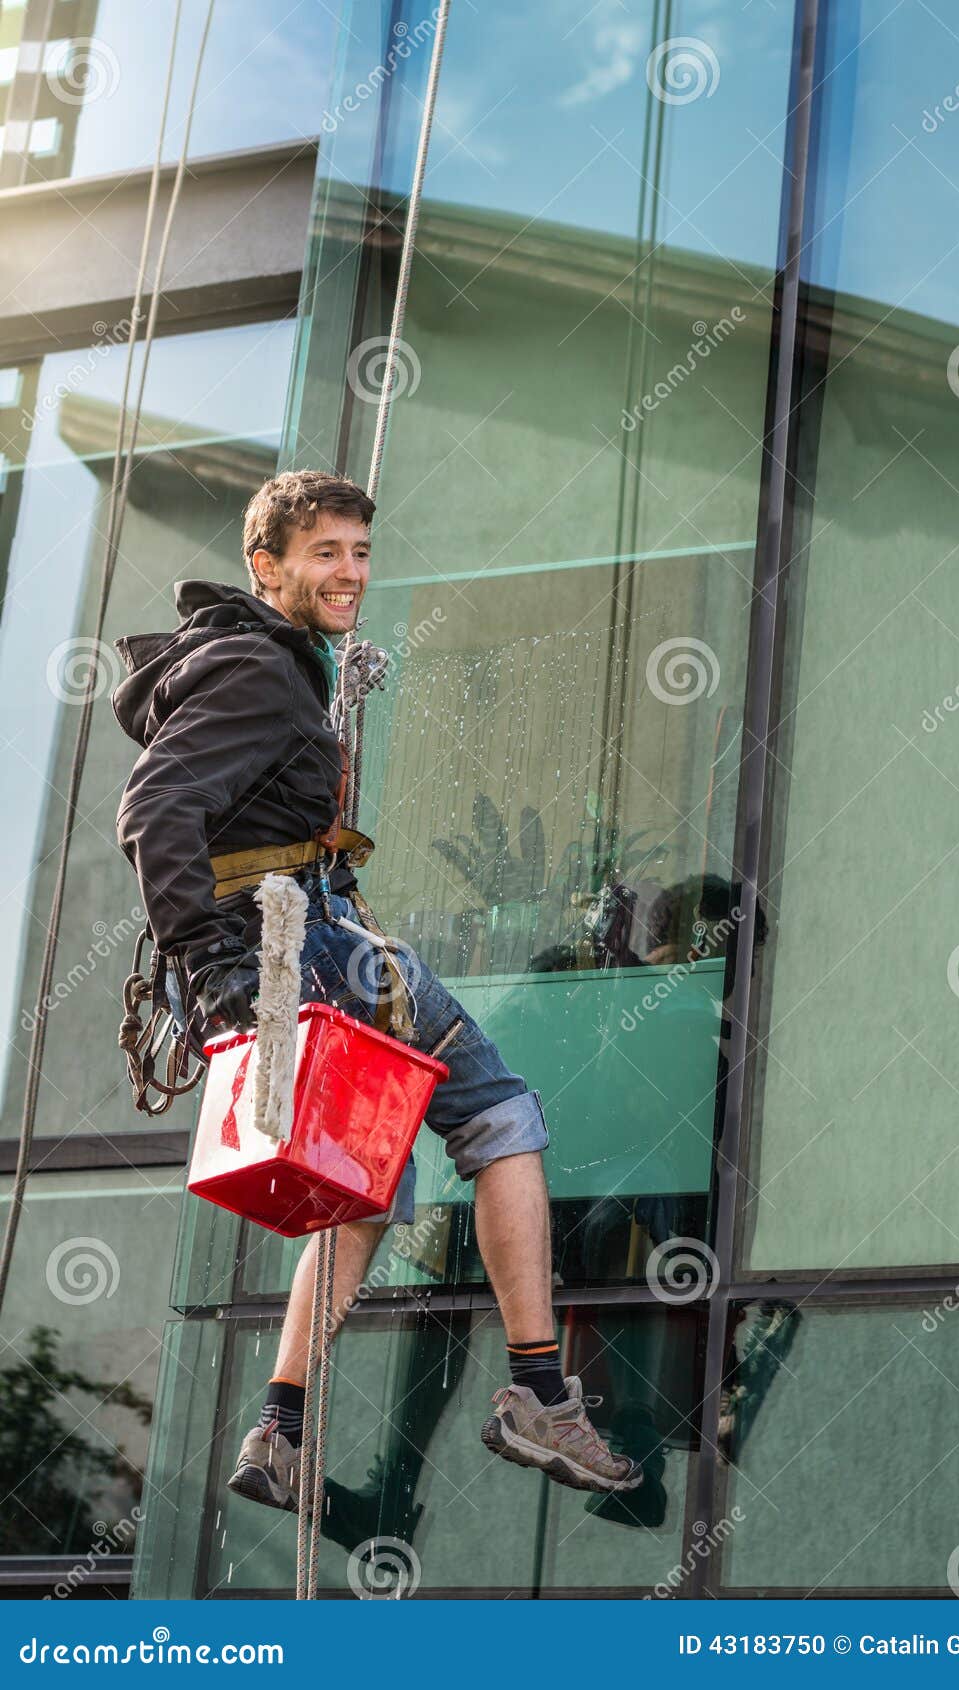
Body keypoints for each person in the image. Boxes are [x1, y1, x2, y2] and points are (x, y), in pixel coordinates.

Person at [112, 468, 642, 1516]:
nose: (351, 570)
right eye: (325, 554)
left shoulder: (266, 664)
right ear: (267, 567)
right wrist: (222, 976)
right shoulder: (258, 670)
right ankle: (539, 1391)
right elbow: (153, 809)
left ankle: (283, 1430)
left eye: (359, 551)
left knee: (360, 1182)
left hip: (283, 940)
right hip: (299, 941)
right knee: (500, 1114)